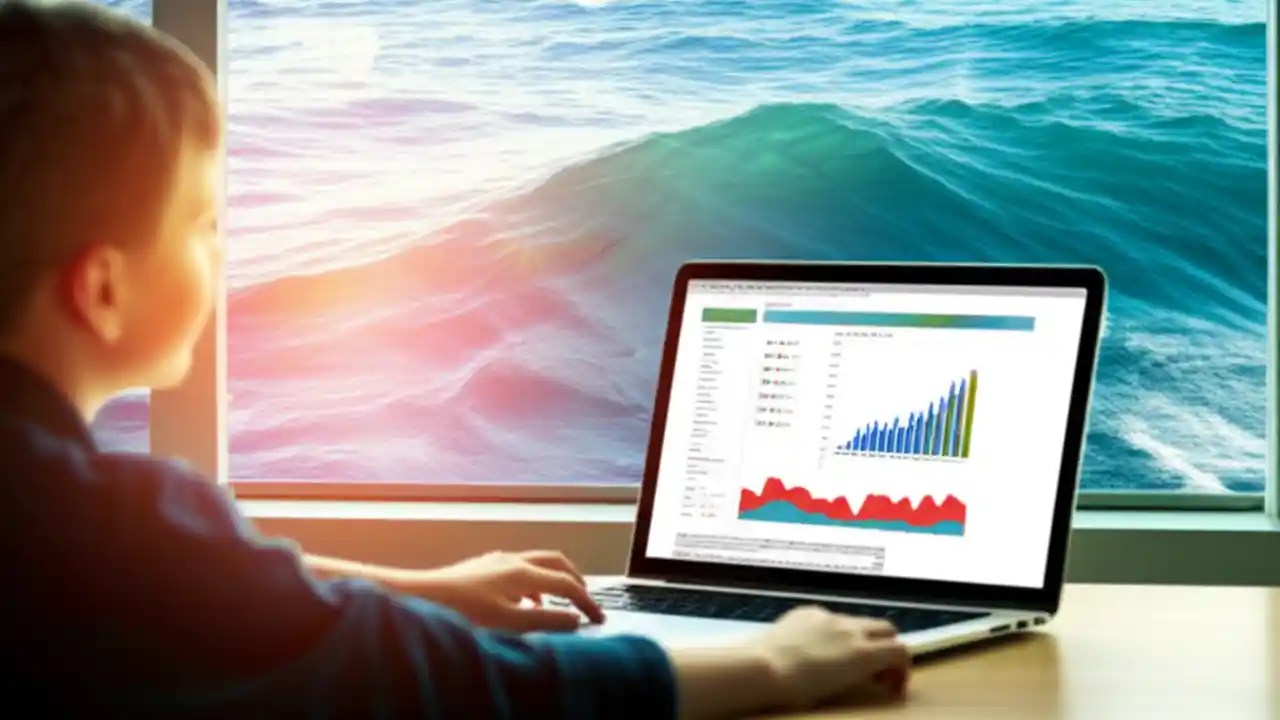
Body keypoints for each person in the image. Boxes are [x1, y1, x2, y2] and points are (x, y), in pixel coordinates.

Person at [0, 1, 911, 716]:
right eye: (203, 226)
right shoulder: (108, 523)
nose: (225, 253)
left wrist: (429, 586)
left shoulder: (66, 515)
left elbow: (195, 578)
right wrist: (778, 663)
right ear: (103, 289)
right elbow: (475, 691)